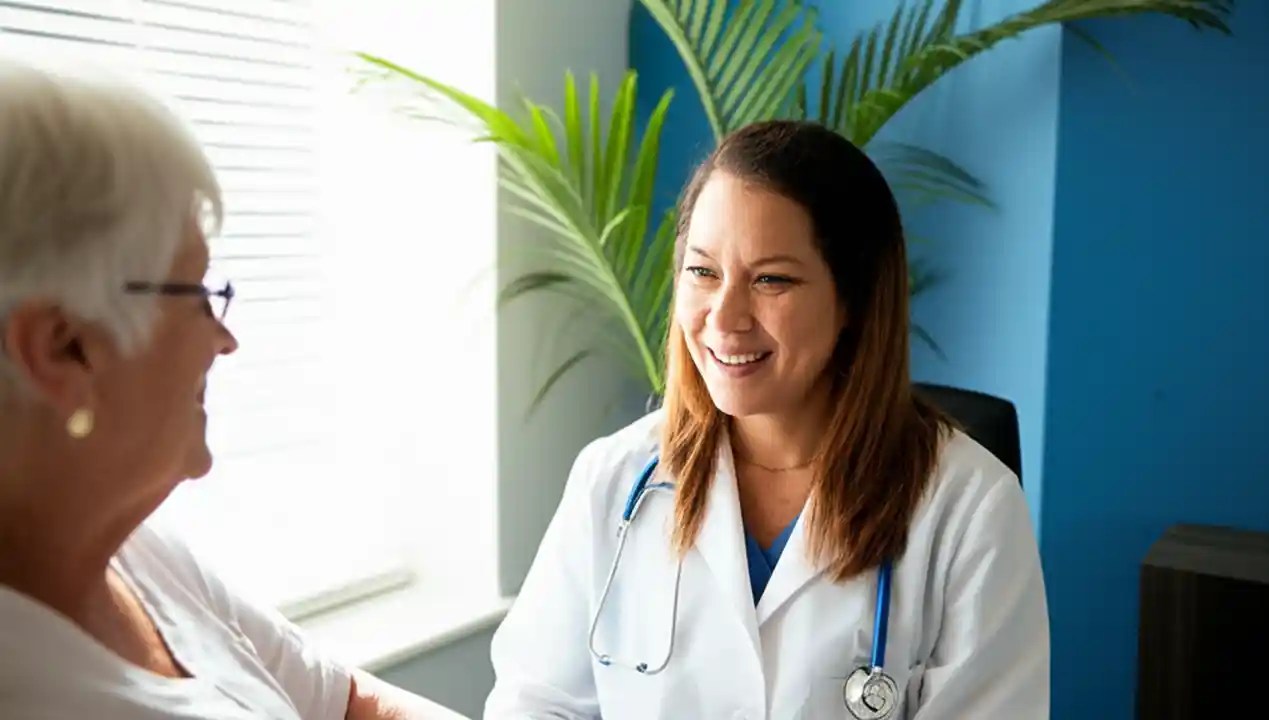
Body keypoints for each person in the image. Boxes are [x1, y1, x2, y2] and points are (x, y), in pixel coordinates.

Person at [485, 120, 1050, 719]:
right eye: (703, 272)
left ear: (853, 301)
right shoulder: (614, 480)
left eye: (771, 280)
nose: (724, 317)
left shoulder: (969, 509)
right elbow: (535, 704)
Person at [0, 58, 462, 719]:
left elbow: (348, 702)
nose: (224, 339)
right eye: (197, 293)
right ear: (61, 348)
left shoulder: (138, 550)